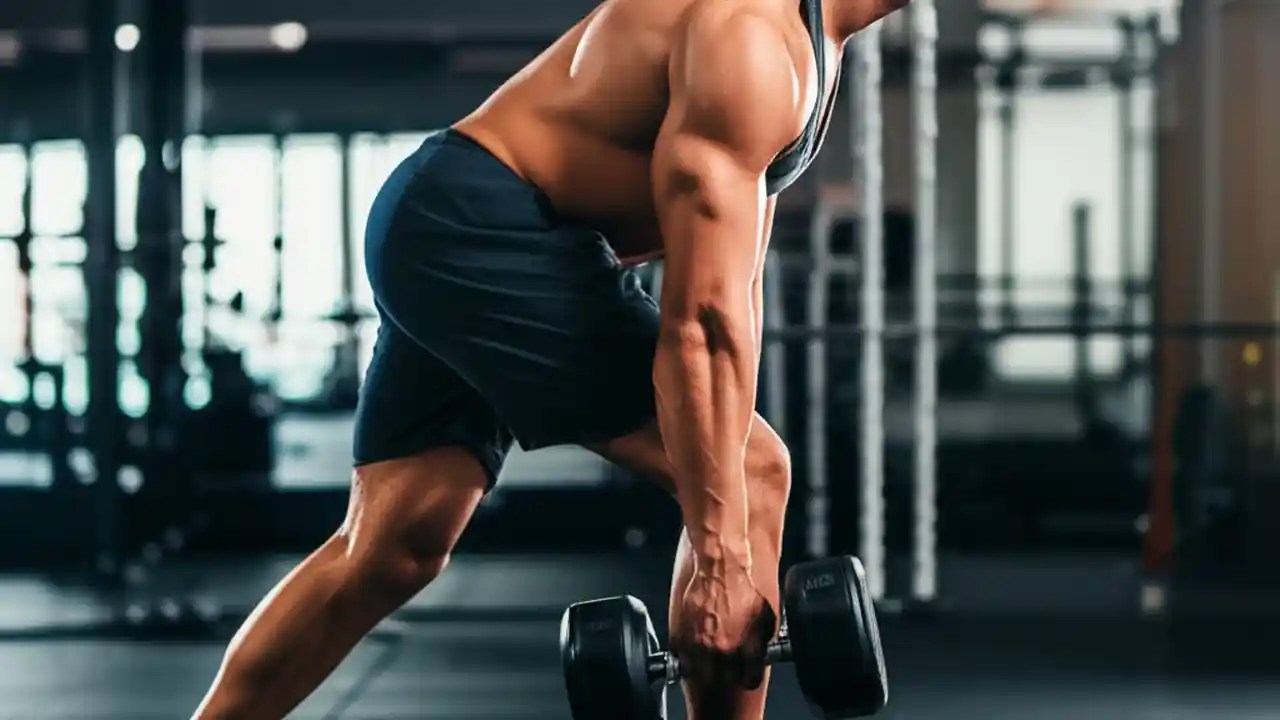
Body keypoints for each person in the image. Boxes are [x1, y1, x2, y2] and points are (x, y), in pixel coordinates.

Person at [193, 0, 909, 718]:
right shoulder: (752, 37)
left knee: (393, 546)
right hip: (483, 226)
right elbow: (700, 324)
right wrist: (720, 564)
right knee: (750, 477)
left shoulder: (813, 43)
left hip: (443, 217)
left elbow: (737, 295)